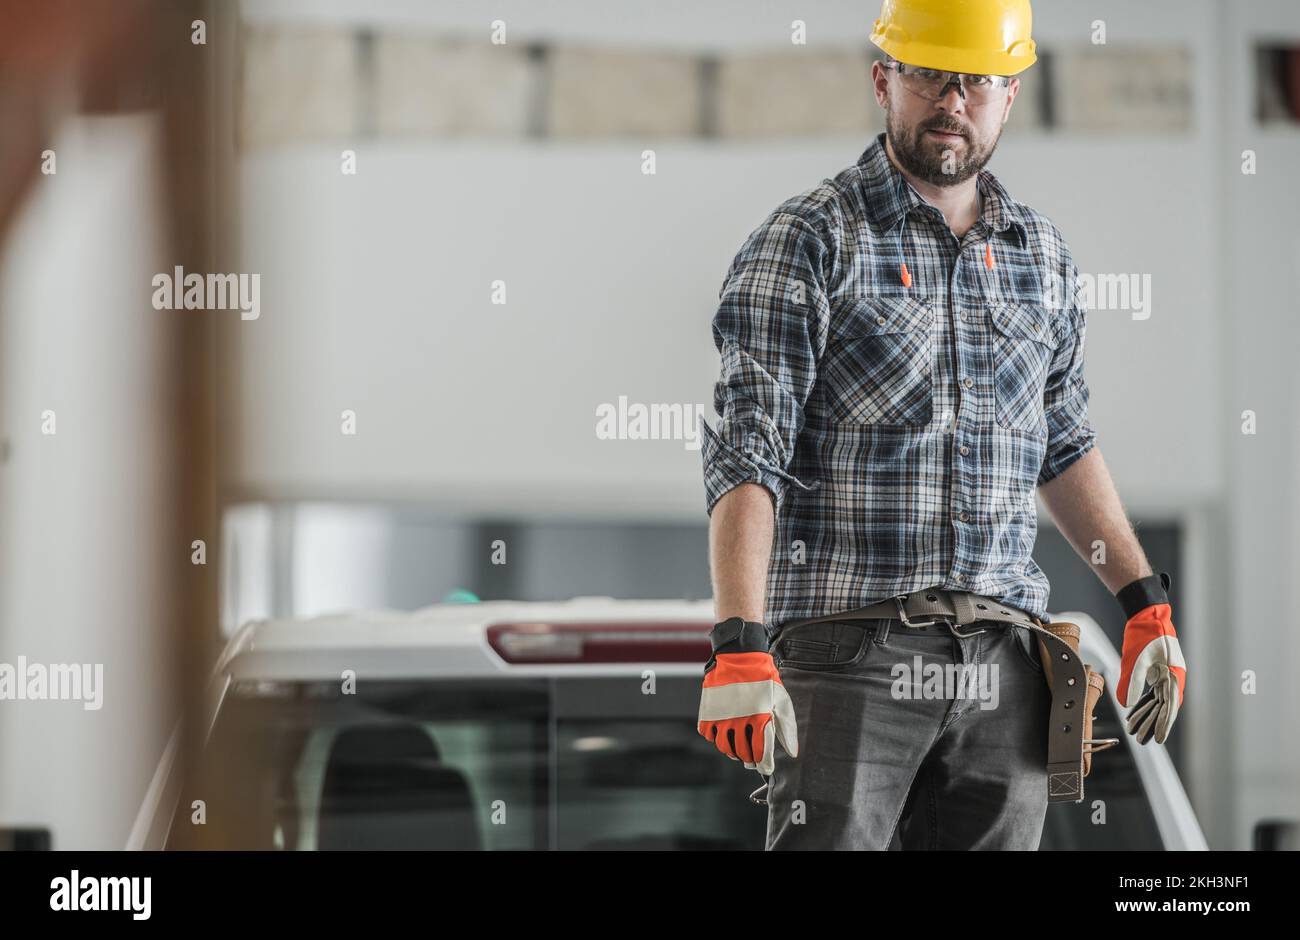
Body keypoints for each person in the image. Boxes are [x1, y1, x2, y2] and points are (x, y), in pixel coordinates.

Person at [695, 0, 1186, 850]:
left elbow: (1062, 437)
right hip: (853, 656)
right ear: (884, 80)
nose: (951, 101)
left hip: (1008, 655)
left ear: (1009, 96)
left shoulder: (1040, 254)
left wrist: (1145, 603)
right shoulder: (812, 239)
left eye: (976, 82)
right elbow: (748, 447)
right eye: (927, 75)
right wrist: (738, 639)